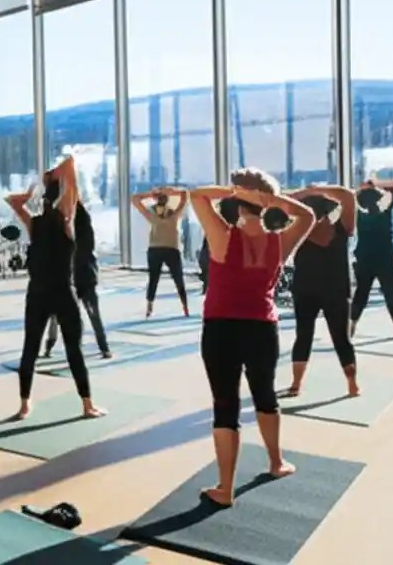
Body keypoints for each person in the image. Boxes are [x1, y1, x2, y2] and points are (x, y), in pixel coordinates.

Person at [190, 168, 314, 507]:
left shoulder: (221, 234)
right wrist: (266, 198)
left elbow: (197, 195)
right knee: (265, 395)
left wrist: (237, 192)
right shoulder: (280, 240)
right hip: (261, 328)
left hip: (220, 329)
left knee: (225, 406)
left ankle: (225, 490)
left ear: (240, 197)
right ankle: (276, 462)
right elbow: (307, 214)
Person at [6, 156, 105, 420]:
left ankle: (25, 405)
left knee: (30, 348)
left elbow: (11, 202)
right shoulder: (66, 222)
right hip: (62, 293)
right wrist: (58, 175)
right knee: (74, 349)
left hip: (38, 293)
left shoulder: (34, 223)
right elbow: (71, 166)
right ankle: (87, 404)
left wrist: (30, 191)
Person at [286, 186, 359, 398]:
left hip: (305, 289)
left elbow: (279, 201)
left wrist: (301, 195)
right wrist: (315, 189)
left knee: (303, 336)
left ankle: (296, 384)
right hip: (335, 290)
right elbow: (349, 196)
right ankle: (353, 385)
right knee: (341, 338)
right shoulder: (343, 228)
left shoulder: (300, 234)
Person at [42, 200, 112, 360]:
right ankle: (101, 347)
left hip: (79, 276)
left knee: (62, 315)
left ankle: (54, 346)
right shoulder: (74, 228)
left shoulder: (74, 228)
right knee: (89, 314)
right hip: (78, 276)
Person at [133, 187, 191, 318]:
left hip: (157, 249)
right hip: (169, 249)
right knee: (176, 279)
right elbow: (184, 195)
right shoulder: (173, 215)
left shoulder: (153, 215)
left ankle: (150, 308)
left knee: (155, 279)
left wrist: (152, 194)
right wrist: (169, 191)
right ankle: (184, 307)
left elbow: (135, 200)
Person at [350, 179, 393, 338]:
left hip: (365, 259)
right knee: (390, 292)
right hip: (385, 258)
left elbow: (350, 198)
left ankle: (352, 321)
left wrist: (360, 189)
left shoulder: (359, 216)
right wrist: (375, 185)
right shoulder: (385, 214)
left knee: (361, 292)